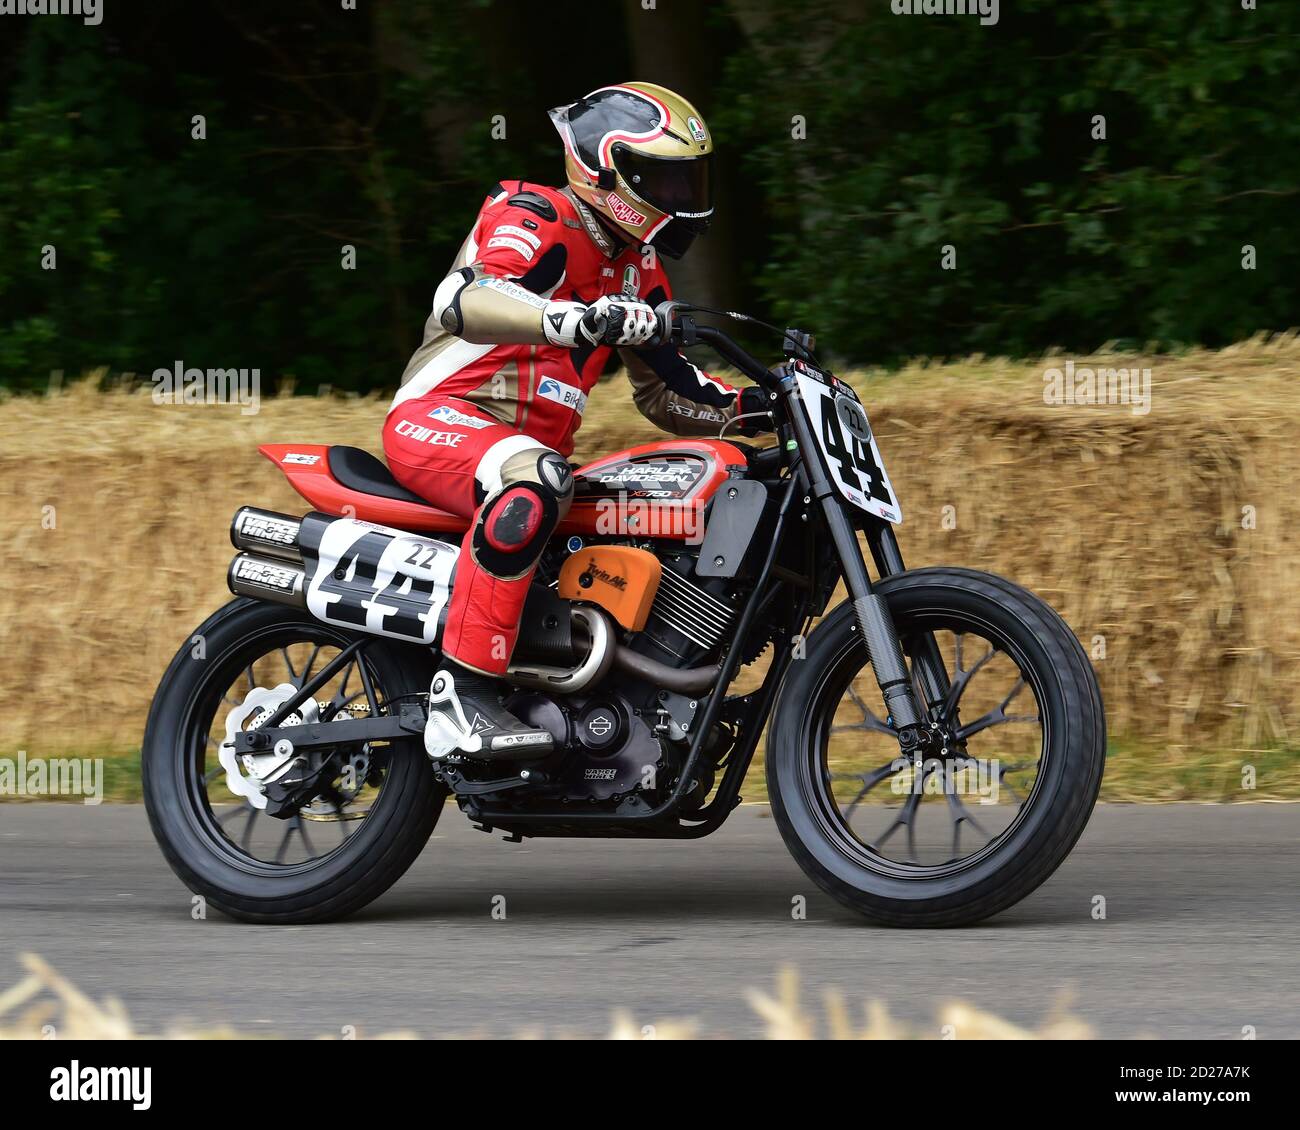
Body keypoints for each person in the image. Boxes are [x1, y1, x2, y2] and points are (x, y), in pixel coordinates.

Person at [382, 82, 769, 762]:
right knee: (537, 481)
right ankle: (463, 699)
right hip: (441, 419)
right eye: (667, 178)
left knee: (614, 494)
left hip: (524, 451)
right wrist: (569, 317)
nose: (684, 195)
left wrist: (750, 406)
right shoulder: (534, 213)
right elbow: (465, 297)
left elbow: (667, 392)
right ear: (608, 170)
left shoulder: (638, 268)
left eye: (690, 178)